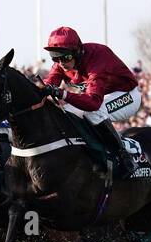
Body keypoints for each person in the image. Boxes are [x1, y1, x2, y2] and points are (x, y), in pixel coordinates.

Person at [38, 26, 140, 180]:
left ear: (77, 52)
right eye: (55, 57)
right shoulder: (61, 63)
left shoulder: (97, 58)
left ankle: (125, 158)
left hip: (126, 95)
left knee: (93, 112)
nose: (60, 63)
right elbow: (47, 85)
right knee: (68, 114)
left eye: (65, 57)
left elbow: (93, 103)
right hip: (101, 97)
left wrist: (63, 93)